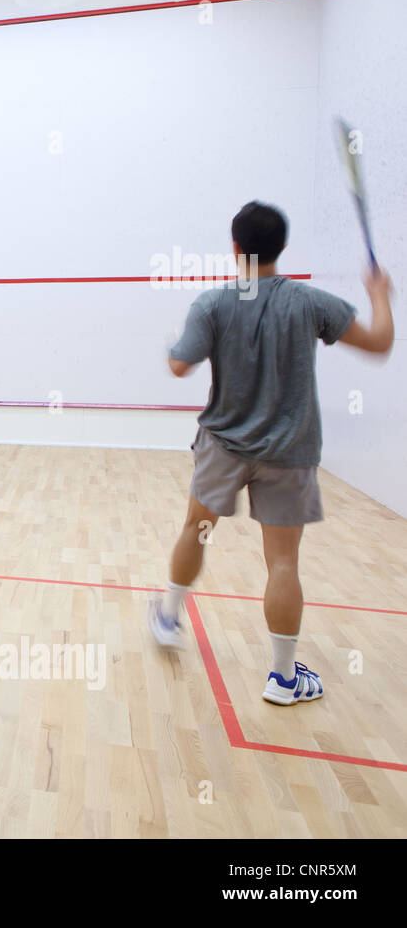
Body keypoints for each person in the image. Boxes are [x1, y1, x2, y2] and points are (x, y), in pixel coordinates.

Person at [148, 201, 394, 705]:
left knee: (197, 529)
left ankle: (169, 616)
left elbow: (179, 366)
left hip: (223, 448)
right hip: (289, 452)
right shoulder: (309, 303)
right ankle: (283, 678)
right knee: (282, 562)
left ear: (235, 248)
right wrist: (379, 295)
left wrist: (174, 345)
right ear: (282, 248)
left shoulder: (212, 304)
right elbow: (379, 342)